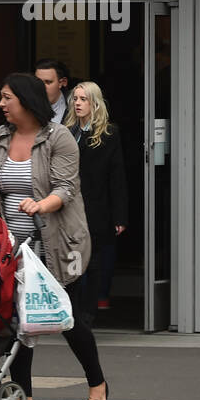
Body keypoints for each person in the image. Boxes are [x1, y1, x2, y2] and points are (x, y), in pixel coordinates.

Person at [0, 73, 107, 400]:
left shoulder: (59, 137)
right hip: (12, 246)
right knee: (15, 319)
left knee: (68, 318)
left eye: (7, 97)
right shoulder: (1, 136)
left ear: (25, 100)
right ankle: (23, 396)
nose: (1, 104)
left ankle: (97, 383)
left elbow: (67, 188)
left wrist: (41, 204)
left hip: (56, 243)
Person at [63, 82, 128, 322]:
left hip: (98, 206)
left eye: (83, 99)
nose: (78, 103)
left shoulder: (109, 133)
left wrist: (120, 215)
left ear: (95, 103)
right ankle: (74, 309)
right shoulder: (66, 131)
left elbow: (117, 176)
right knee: (72, 259)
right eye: (75, 99)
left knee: (95, 260)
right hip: (69, 206)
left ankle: (89, 311)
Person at [34, 58, 70, 124]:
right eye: (38, 81)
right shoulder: (25, 108)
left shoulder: (75, 107)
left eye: (48, 82)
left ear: (62, 82)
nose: (41, 87)